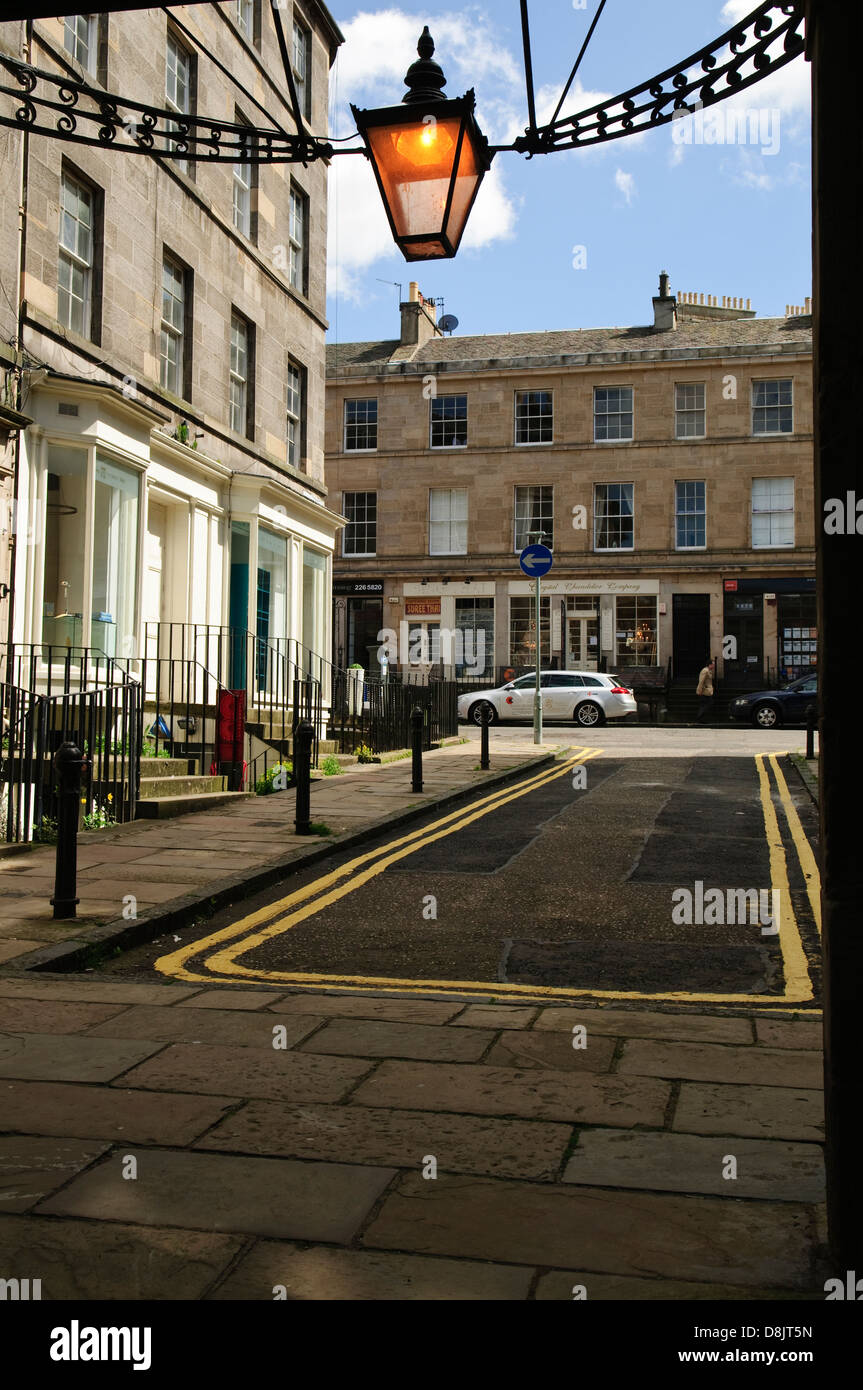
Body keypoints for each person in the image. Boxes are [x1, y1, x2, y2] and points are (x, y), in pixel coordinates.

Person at [696, 658, 715, 723]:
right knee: (706, 704)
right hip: (704, 692)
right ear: (709, 665)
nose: (714, 666)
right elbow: (701, 681)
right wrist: (700, 690)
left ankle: (700, 718)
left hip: (708, 692)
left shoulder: (709, 671)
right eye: (713, 664)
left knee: (706, 704)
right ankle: (699, 718)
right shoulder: (705, 671)